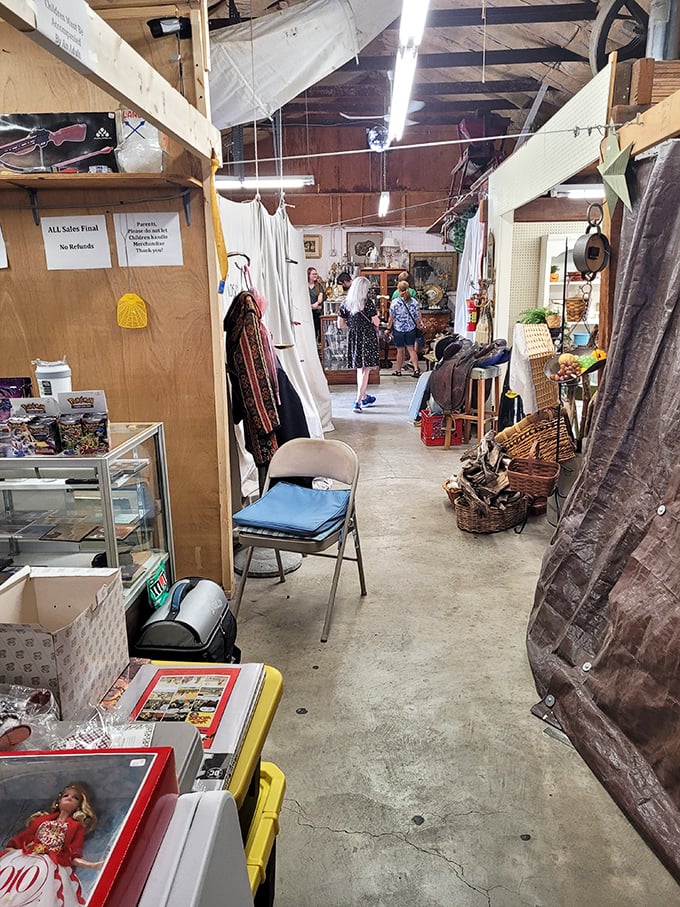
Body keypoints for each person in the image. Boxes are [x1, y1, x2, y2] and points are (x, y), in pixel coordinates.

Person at [0, 782, 103, 906]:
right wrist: (13, 853)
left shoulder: (75, 827)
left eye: (75, 798)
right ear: (59, 800)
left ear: (79, 806)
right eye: (66, 795)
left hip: (50, 865)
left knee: (43, 893)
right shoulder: (41, 820)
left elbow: (72, 855)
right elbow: (20, 840)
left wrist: (93, 865)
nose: (69, 798)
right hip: (26, 860)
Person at [337, 276, 380, 414]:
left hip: (354, 338)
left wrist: (353, 326)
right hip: (367, 337)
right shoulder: (368, 303)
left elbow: (340, 324)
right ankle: (357, 401)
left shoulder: (345, 303)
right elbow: (376, 322)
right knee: (365, 370)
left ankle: (364, 396)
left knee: (359, 369)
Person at [387, 279, 424, 378]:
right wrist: (419, 325)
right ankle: (416, 370)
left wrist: (388, 328)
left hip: (398, 329)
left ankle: (398, 370)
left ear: (398, 290)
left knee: (400, 350)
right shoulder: (414, 302)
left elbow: (391, 318)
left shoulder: (395, 302)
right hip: (410, 329)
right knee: (411, 349)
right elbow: (417, 317)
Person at [307, 267, 324, 341]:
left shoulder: (318, 286)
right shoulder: (304, 286)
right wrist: (309, 306)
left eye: (316, 274)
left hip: (316, 310)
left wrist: (316, 304)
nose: (315, 276)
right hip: (307, 311)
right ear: (308, 275)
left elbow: (320, 297)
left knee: (317, 327)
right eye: (313, 274)